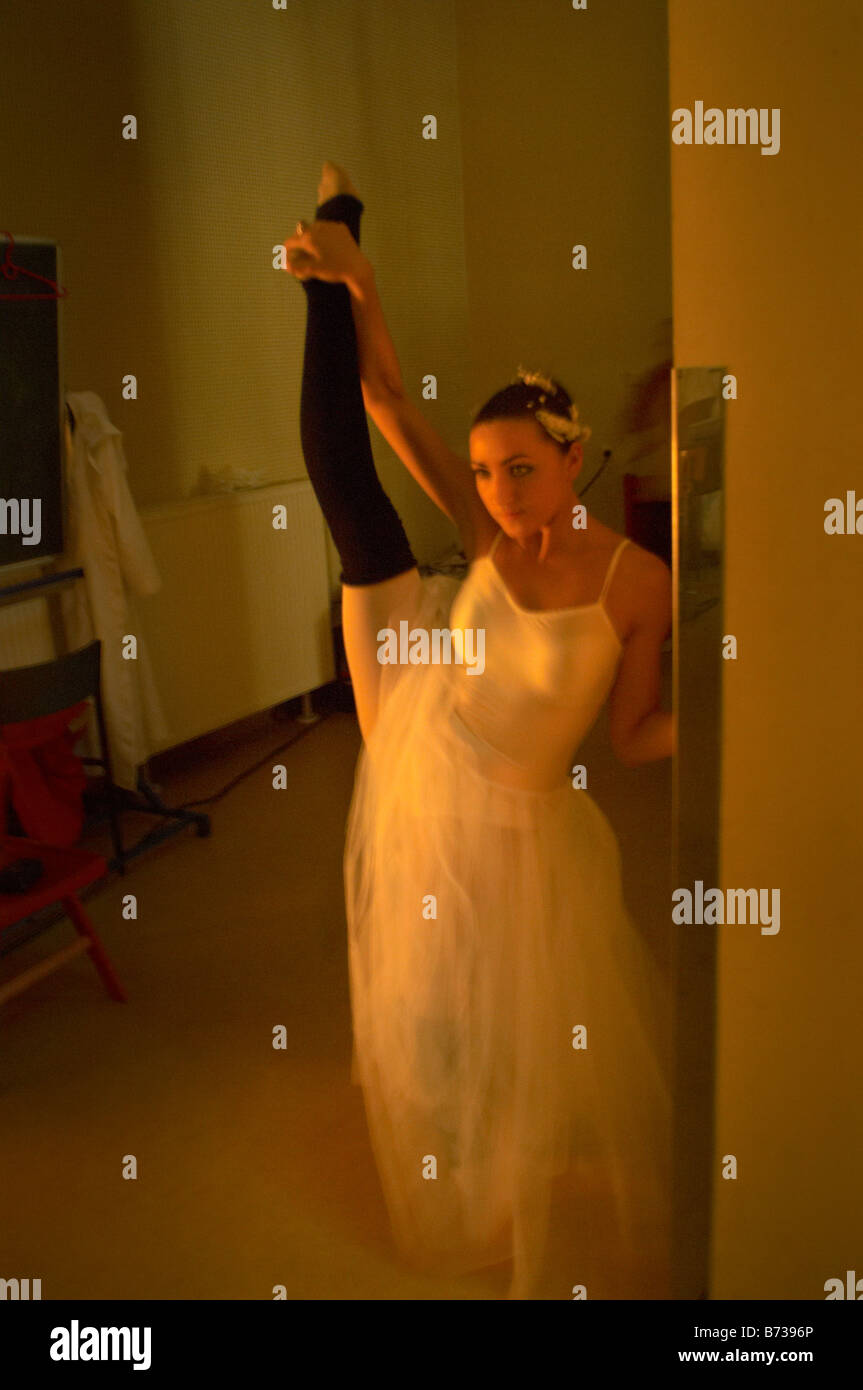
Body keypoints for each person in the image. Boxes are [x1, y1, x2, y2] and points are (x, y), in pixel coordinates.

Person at [283, 162, 674, 1299]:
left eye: (519, 469)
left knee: (509, 1001)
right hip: (423, 742)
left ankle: (489, 1132)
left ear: (572, 459)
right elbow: (387, 402)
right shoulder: (486, 539)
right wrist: (362, 292)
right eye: (486, 472)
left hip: (527, 809)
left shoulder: (634, 583)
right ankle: (336, 243)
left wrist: (732, 731)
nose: (498, 492)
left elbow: (634, 732)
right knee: (344, 479)